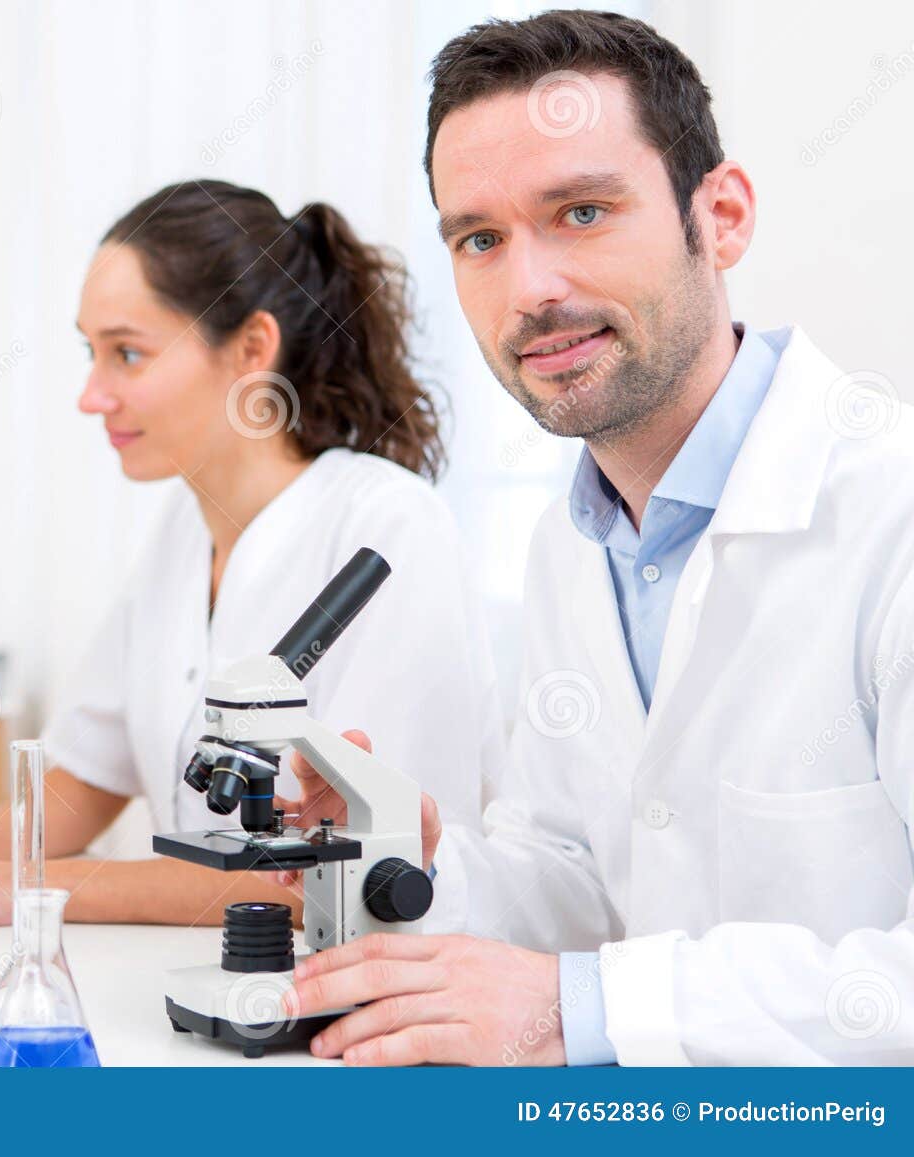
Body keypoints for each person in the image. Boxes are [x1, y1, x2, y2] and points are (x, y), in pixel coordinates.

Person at [277, 9, 914, 1067]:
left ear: (721, 215)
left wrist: (579, 1009)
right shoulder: (570, 541)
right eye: (479, 238)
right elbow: (583, 877)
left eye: (580, 211)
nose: (528, 290)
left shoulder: (889, 509)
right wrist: (414, 852)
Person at [0, 180, 501, 926]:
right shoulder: (183, 533)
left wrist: (13, 891)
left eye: (127, 353)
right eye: (91, 353)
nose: (93, 395)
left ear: (252, 348)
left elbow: (349, 868)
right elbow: (83, 782)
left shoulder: (385, 527)